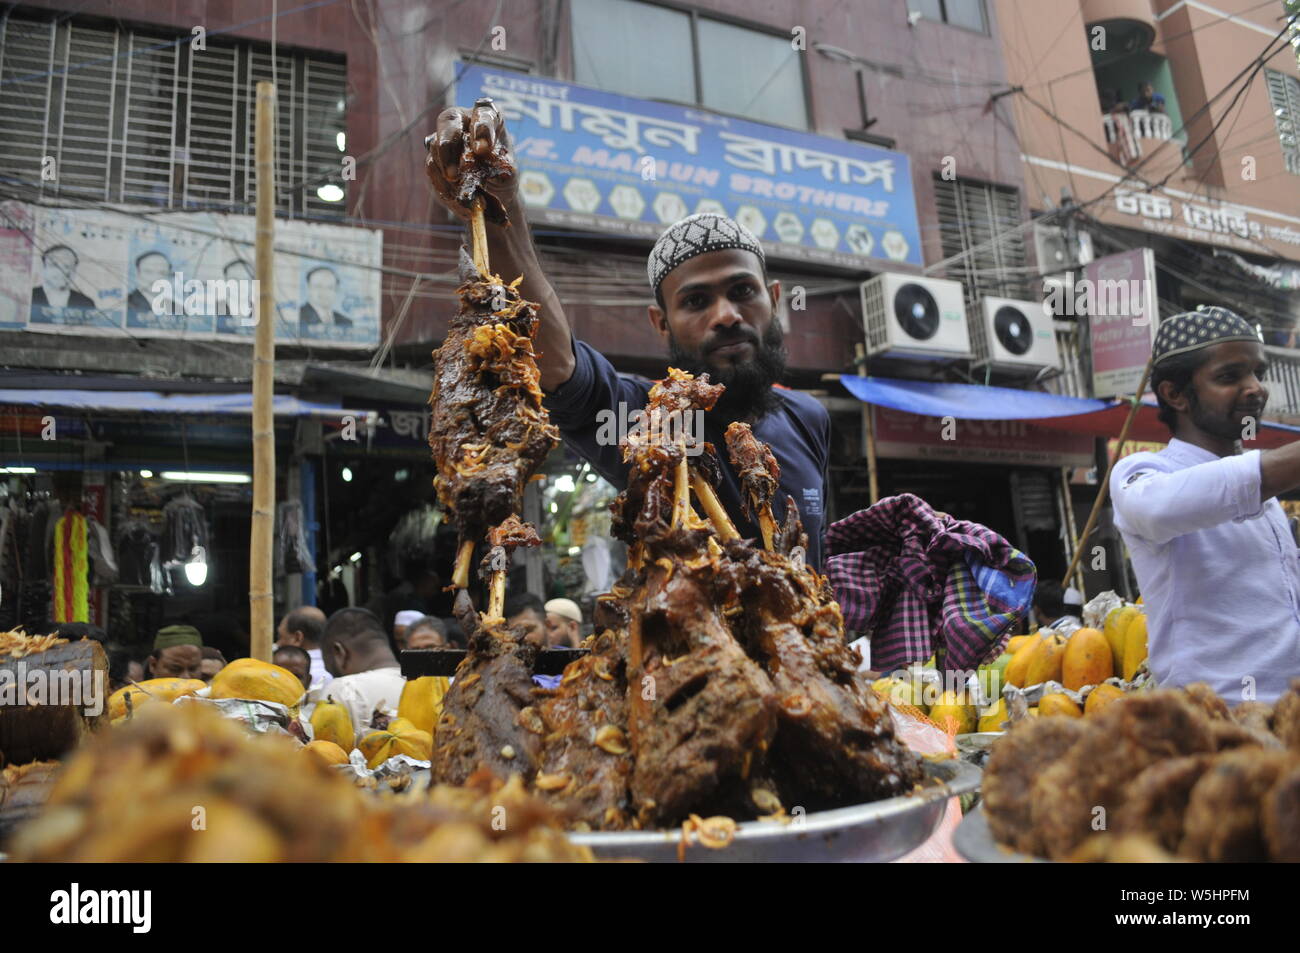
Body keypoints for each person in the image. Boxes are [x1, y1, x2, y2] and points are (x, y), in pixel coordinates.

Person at [426, 102, 831, 567]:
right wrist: (502, 206)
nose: (725, 315)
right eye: (696, 301)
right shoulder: (641, 421)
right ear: (661, 323)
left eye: (742, 291)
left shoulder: (810, 419)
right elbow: (558, 365)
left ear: (775, 299)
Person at [1111, 307, 1300, 703]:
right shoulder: (1142, 473)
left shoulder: (1262, 489)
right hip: (1213, 727)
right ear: (1174, 394)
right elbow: (1161, 509)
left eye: (1258, 374)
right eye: (1230, 376)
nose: (1256, 388)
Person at [313, 607, 407, 736]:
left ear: (339, 652)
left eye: (332, 671)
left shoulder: (342, 689)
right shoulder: (431, 685)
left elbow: (320, 753)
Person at [276, 606, 331, 689]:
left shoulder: (285, 670)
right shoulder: (335, 669)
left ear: (297, 638)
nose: (278, 643)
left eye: (280, 637)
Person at [31, 246, 95, 310]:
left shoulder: (86, 303)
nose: (62, 271)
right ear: (42, 268)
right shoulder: (28, 297)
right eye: (54, 265)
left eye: (67, 266)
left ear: (74, 271)